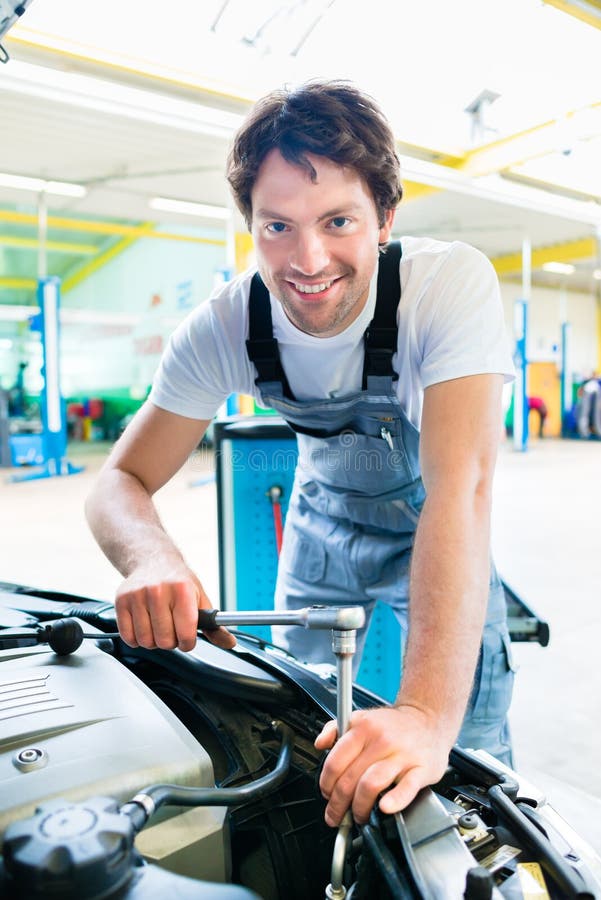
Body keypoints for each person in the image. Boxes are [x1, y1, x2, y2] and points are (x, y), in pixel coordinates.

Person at [86, 80, 515, 830]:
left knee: (463, 754)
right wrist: (149, 558)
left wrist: (422, 712)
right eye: (276, 226)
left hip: (435, 524)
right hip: (319, 529)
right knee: (299, 718)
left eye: (337, 221)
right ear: (249, 225)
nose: (307, 260)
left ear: (384, 216)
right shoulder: (224, 324)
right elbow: (120, 479)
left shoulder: (444, 286)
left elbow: (463, 489)